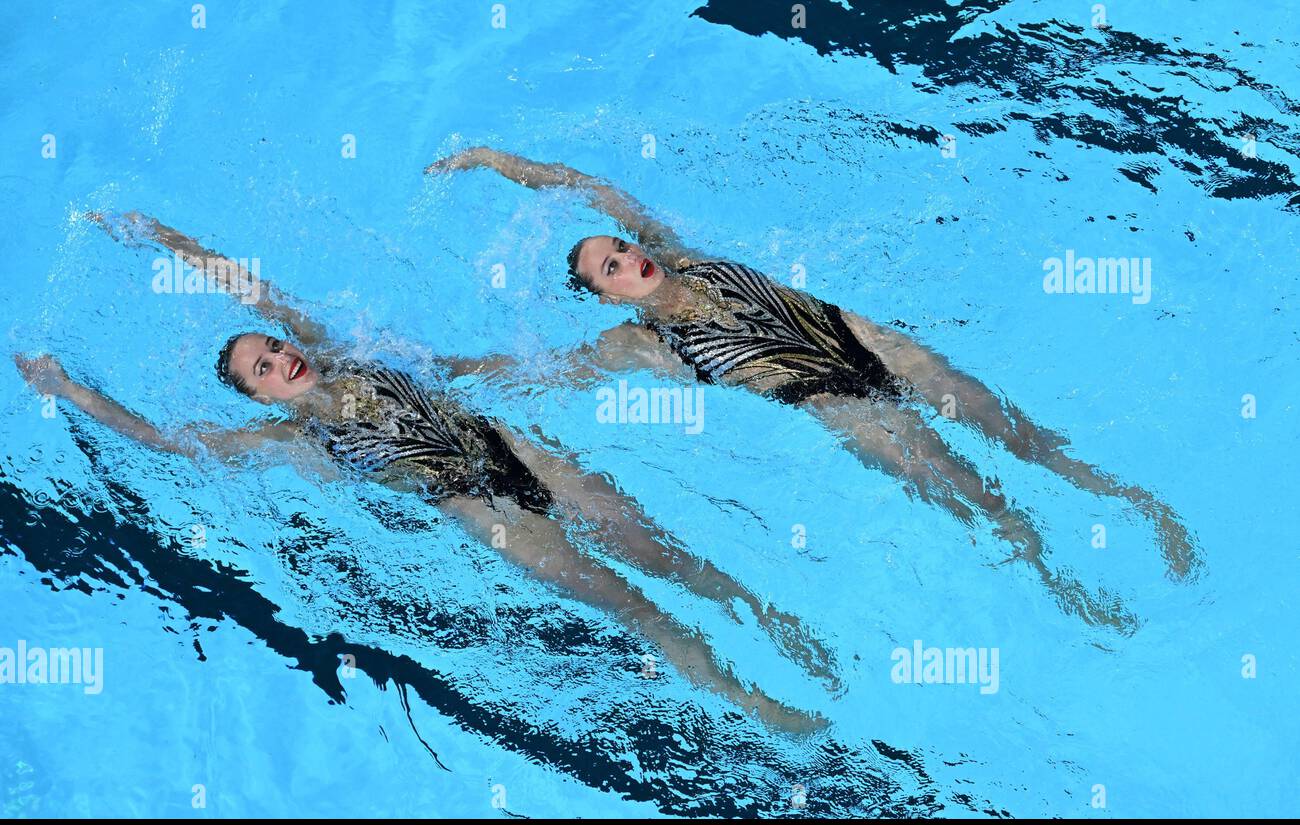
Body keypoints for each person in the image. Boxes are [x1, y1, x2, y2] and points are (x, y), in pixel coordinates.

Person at [13, 211, 833, 734]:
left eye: (270, 347)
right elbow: (162, 440)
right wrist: (67, 388)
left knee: (670, 556)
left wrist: (166, 240)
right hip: (483, 511)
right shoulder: (294, 441)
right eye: (263, 368)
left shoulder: (336, 348)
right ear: (258, 395)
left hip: (524, 454)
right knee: (633, 606)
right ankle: (755, 704)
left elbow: (248, 284)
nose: (280, 358)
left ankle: (768, 616)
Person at [427, 147, 1203, 631]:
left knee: (1020, 437)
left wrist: (495, 160)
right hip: (842, 407)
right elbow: (537, 372)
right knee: (972, 493)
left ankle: (1136, 503)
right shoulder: (638, 344)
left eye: (622, 249)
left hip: (868, 340)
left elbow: (584, 182)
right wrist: (454, 369)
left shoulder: (675, 250)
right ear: (606, 297)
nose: (630, 259)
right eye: (610, 269)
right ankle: (1057, 581)